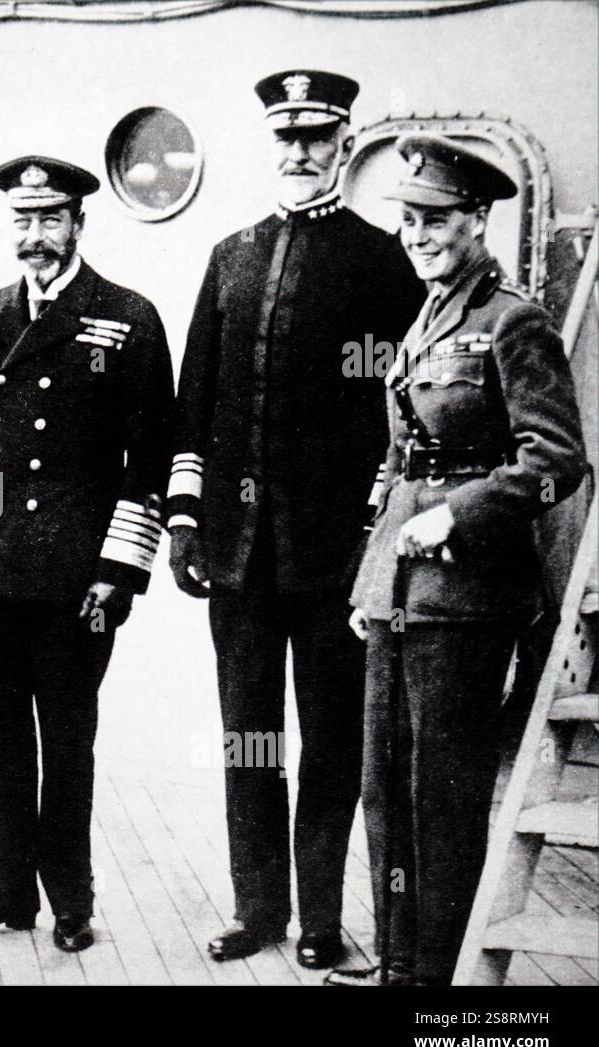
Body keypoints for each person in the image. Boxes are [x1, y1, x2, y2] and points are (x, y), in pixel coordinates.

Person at [167, 70, 426, 968]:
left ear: (345, 145)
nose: (301, 153)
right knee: (250, 736)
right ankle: (257, 910)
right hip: (238, 560)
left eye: (317, 137)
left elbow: (405, 410)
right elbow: (193, 401)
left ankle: (319, 918)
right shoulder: (230, 255)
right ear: (269, 145)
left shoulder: (382, 261)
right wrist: (186, 520)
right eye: (287, 138)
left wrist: (376, 536)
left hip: (334, 557)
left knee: (330, 742)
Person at [327, 135, 586, 986]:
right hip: (402, 591)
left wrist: (458, 518)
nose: (418, 234)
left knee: (441, 798)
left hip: (468, 598)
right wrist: (374, 578)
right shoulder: (429, 318)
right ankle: (399, 962)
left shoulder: (514, 321)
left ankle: (435, 979)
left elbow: (555, 461)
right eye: (408, 219)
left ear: (478, 220)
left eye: (436, 219)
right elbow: (401, 463)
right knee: (385, 789)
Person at [0, 156, 172, 953]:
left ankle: (70, 900)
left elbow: (149, 461)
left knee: (67, 744)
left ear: (78, 224)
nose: (35, 237)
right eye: (23, 222)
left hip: (75, 581)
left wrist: (117, 572)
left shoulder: (127, 318)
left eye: (50, 220)